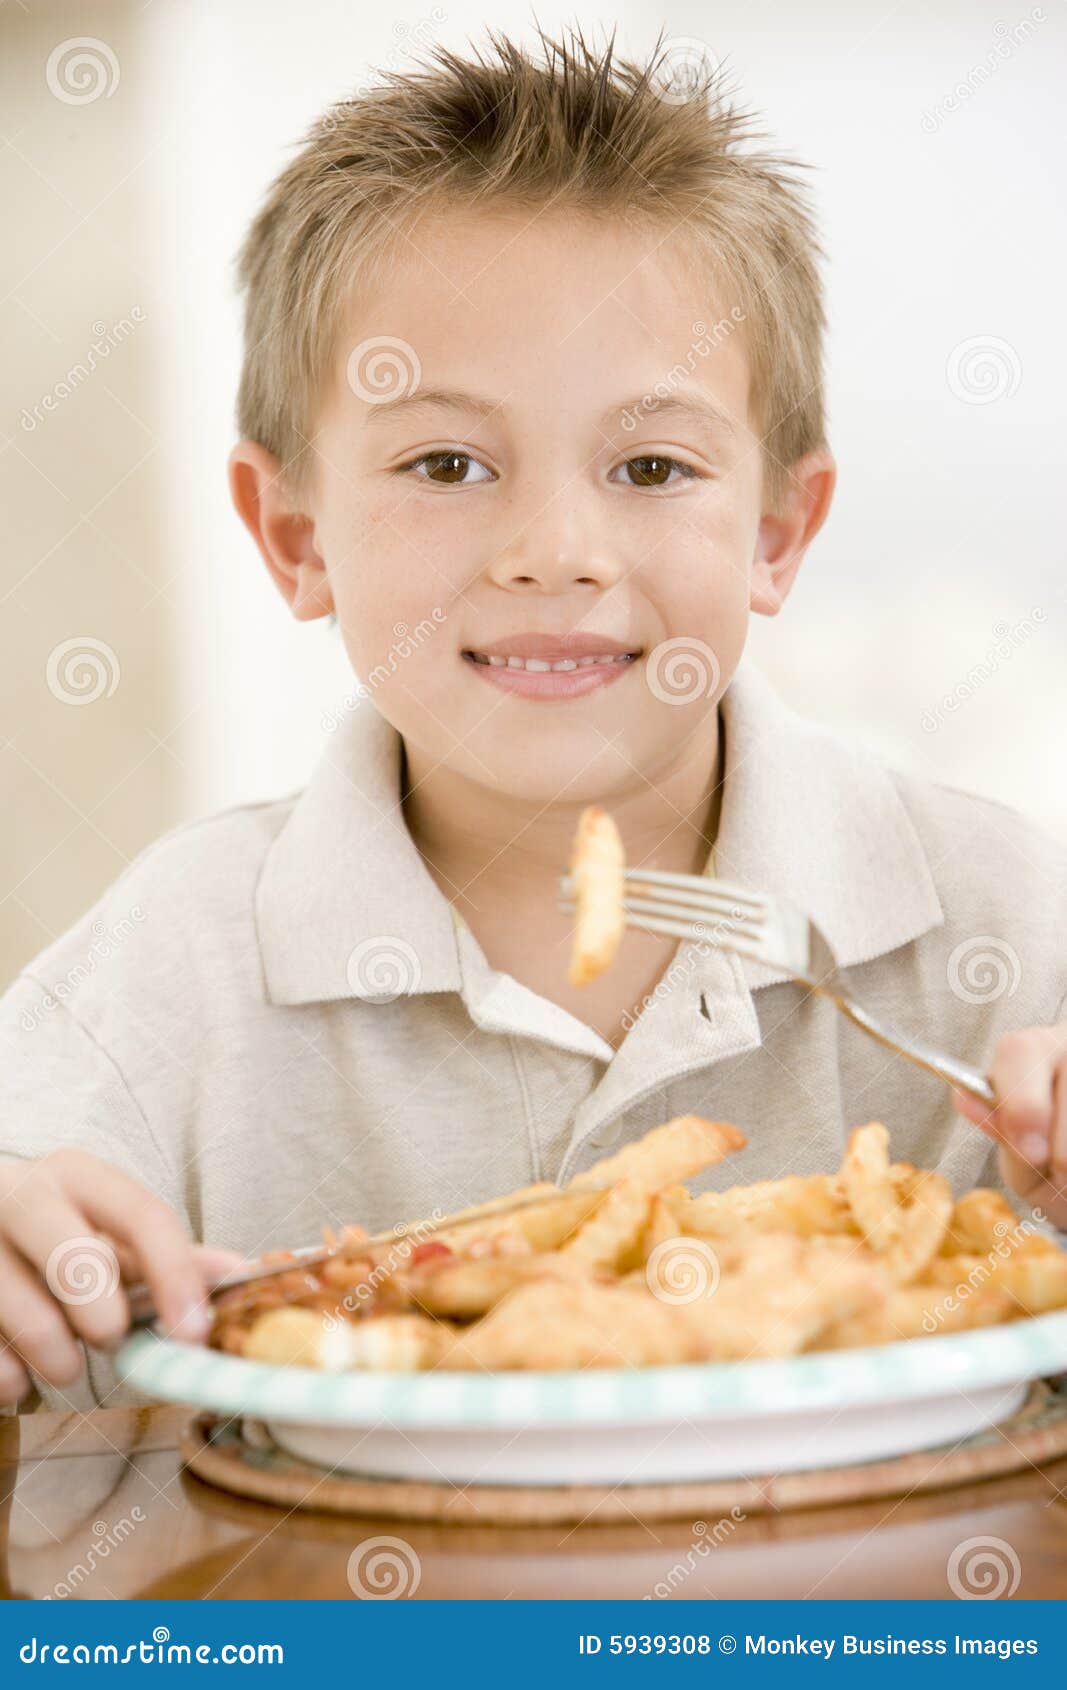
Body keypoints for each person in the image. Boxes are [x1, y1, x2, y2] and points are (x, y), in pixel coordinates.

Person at [2, 29, 1065, 1414]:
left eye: (649, 463)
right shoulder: (156, 987)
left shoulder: (1011, 930)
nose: (554, 550)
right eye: (447, 461)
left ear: (776, 533)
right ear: (295, 535)